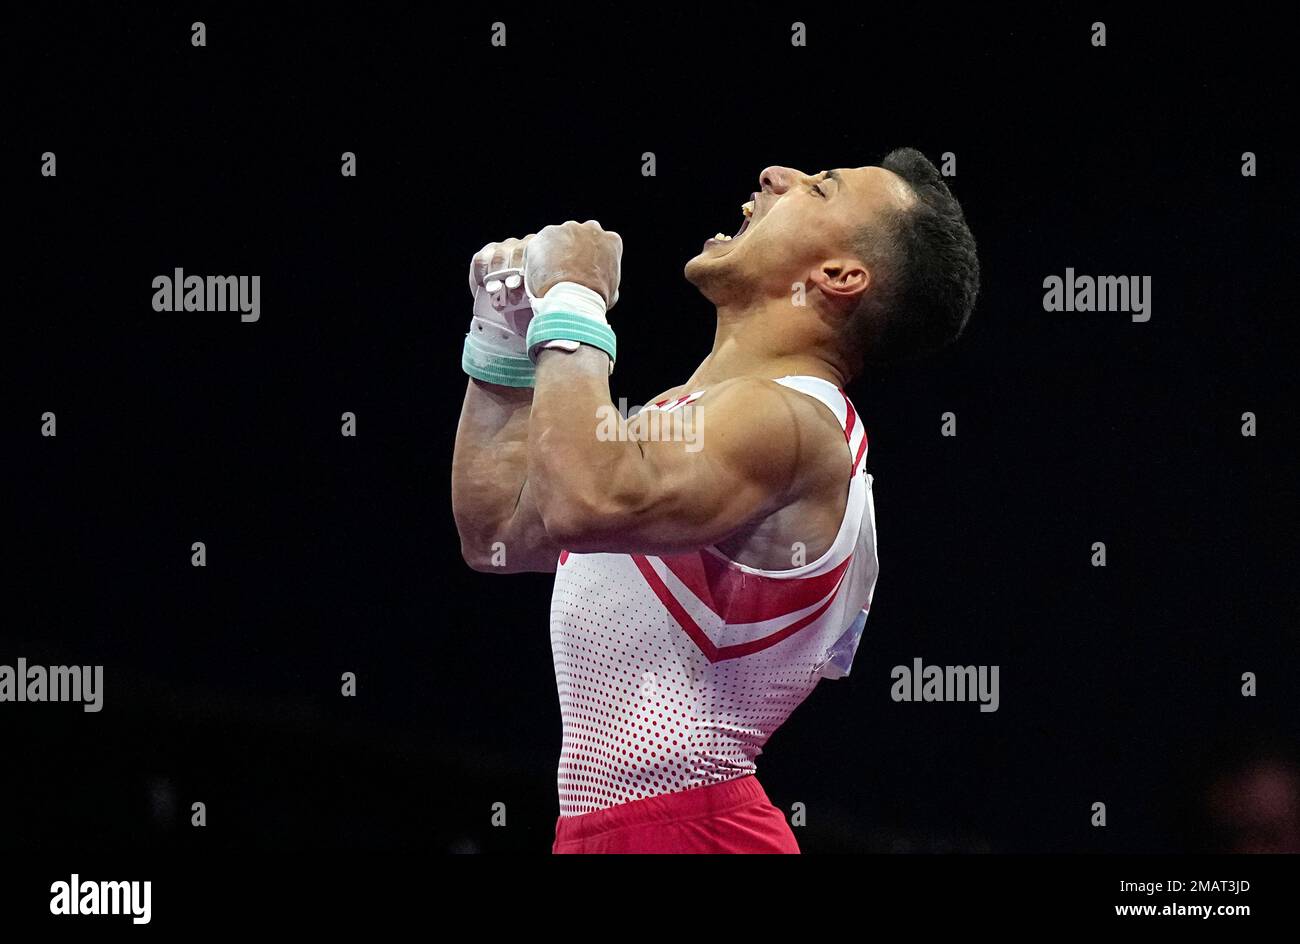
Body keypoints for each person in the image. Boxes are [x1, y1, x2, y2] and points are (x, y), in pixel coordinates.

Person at [452, 148, 979, 853]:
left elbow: (585, 499)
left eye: (819, 189)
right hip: (611, 834)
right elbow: (501, 536)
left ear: (840, 277)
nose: (776, 174)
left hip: (695, 832)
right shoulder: (693, 417)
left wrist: (576, 297)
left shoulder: (791, 425)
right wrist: (504, 336)